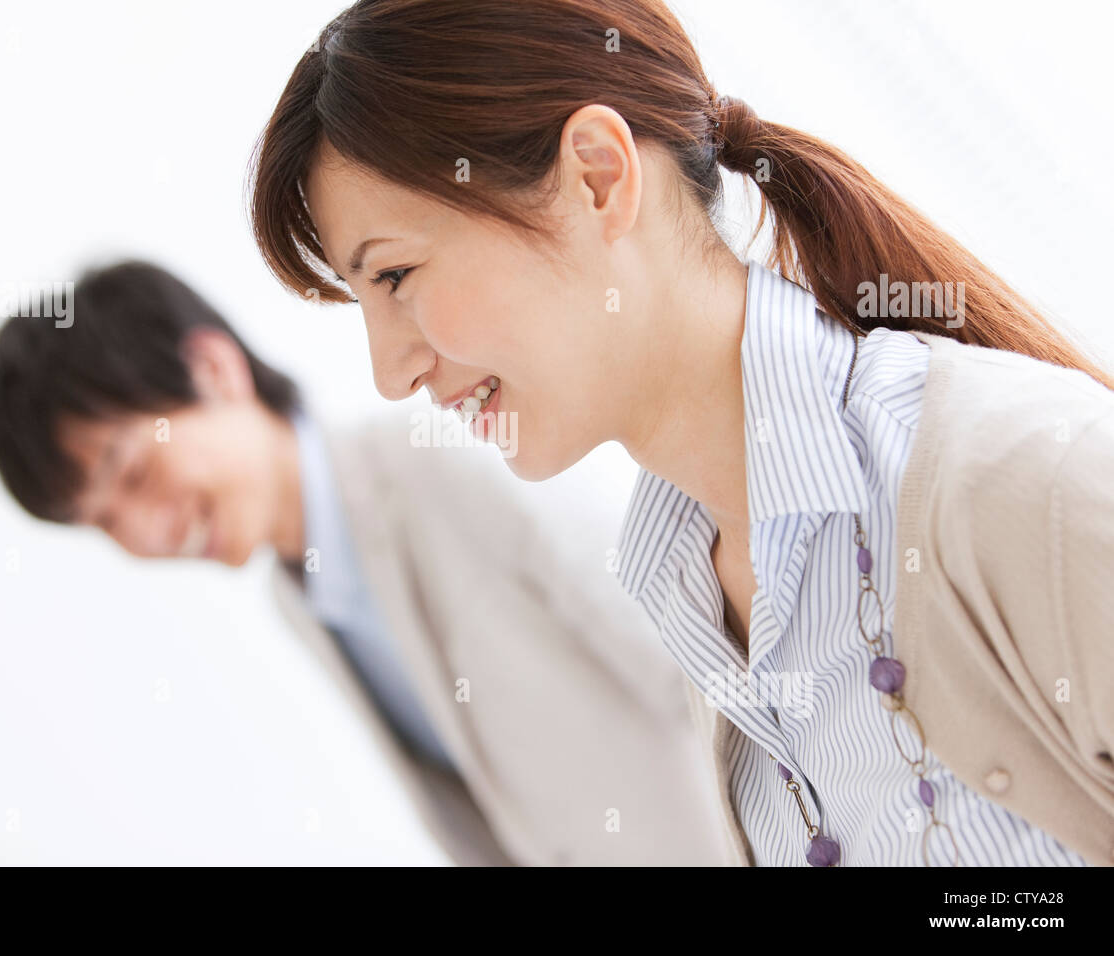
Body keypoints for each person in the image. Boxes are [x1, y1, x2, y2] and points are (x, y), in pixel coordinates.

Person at [247, 0, 1114, 866]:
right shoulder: (691, 595)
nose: (390, 373)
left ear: (598, 176)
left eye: (395, 275)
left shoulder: (1018, 476)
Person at [0, 259, 729, 866]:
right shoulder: (298, 598)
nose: (145, 533)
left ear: (213, 370)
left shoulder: (437, 461)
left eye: (136, 474)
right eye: (104, 522)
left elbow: (696, 663)